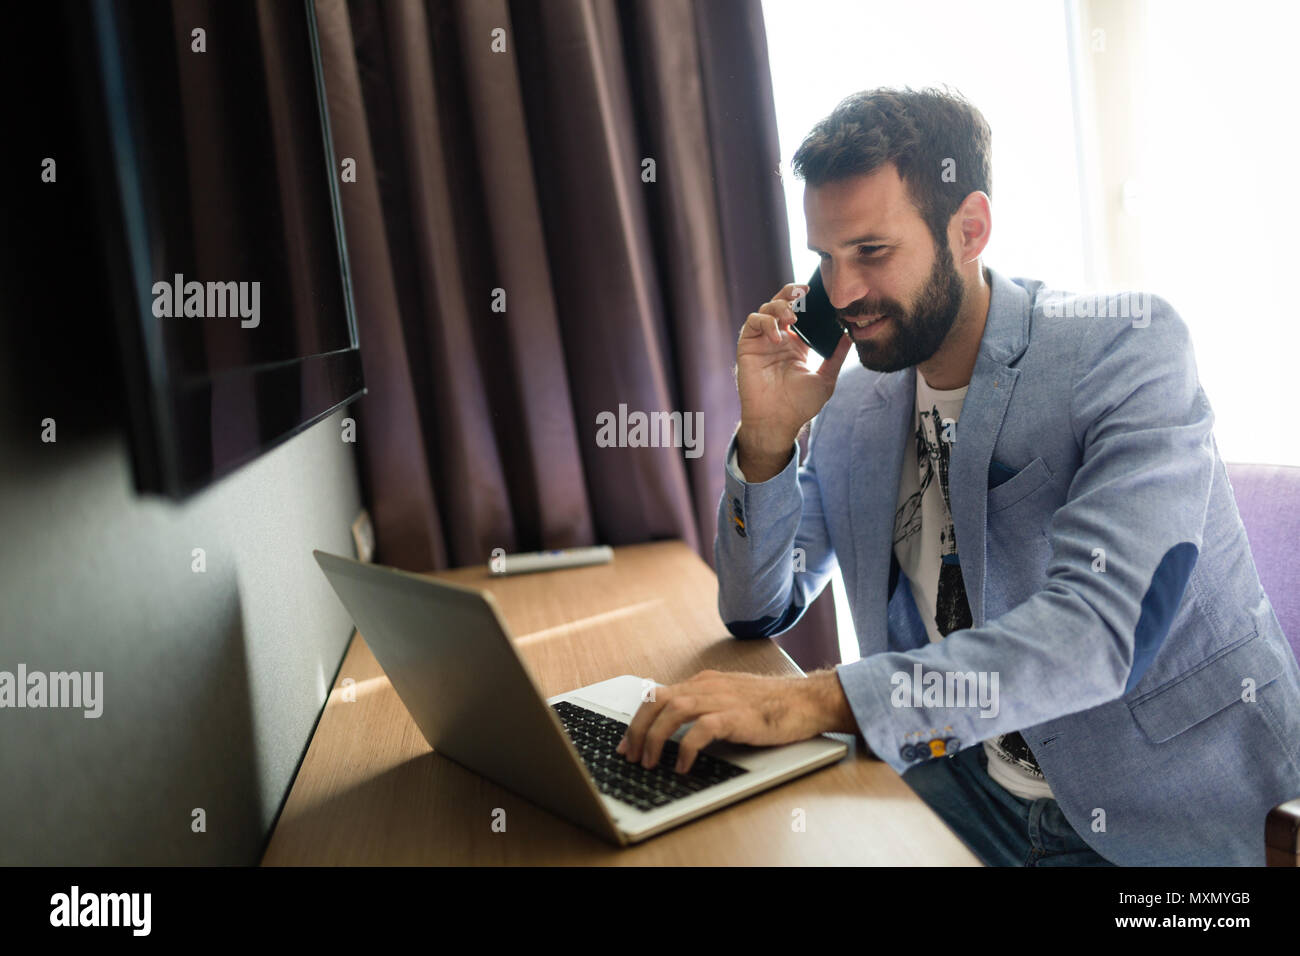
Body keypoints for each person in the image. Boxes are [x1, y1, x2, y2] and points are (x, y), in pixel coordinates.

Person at [615, 86, 1300, 866]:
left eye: (871, 252)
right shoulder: (857, 404)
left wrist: (813, 700)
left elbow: (1100, 632)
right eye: (825, 259)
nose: (840, 295)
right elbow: (755, 608)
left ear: (969, 229)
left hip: (1172, 824)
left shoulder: (1124, 348)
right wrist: (769, 440)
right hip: (973, 787)